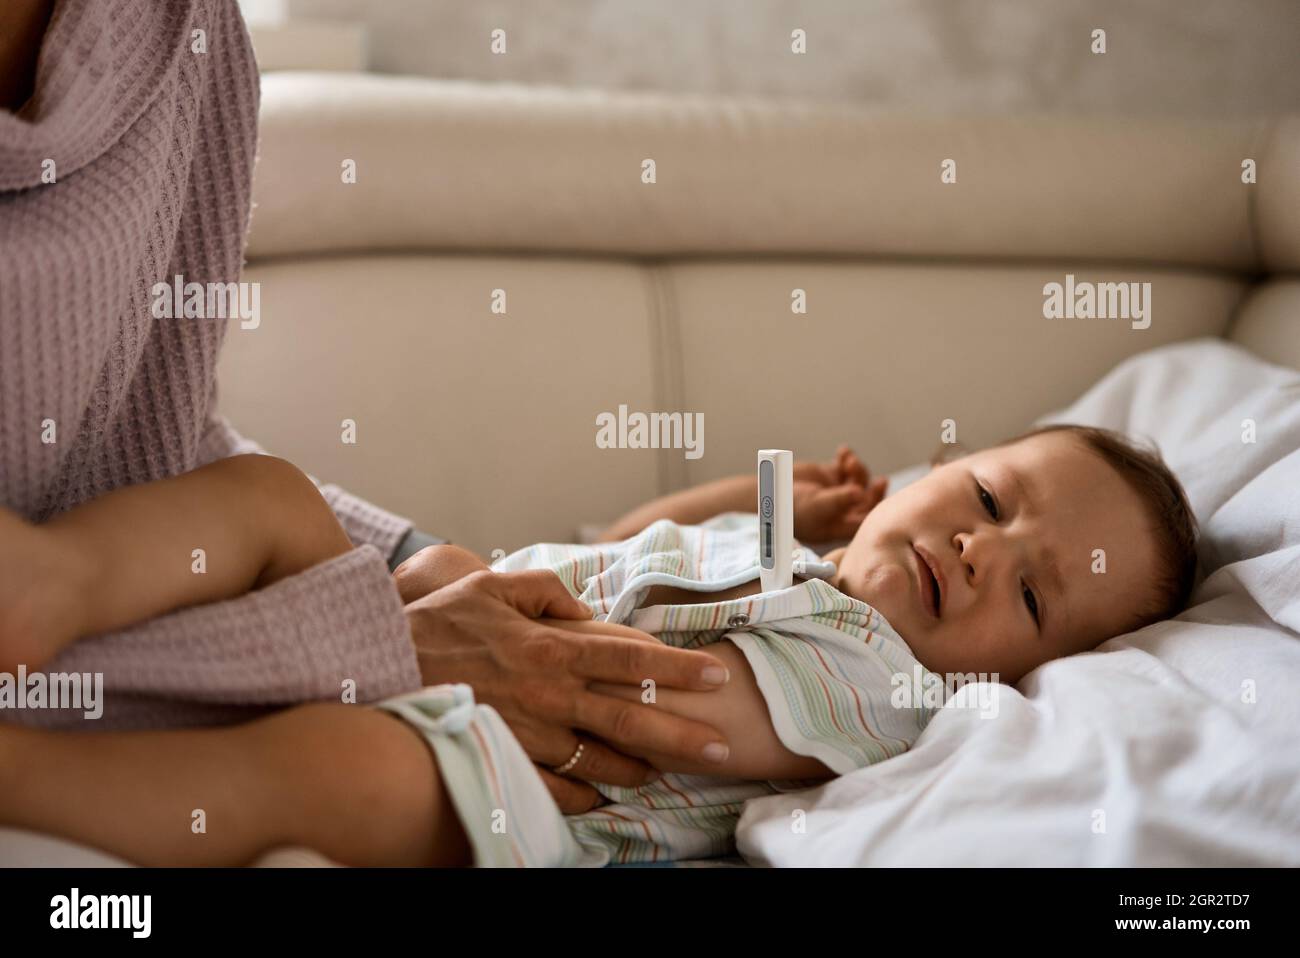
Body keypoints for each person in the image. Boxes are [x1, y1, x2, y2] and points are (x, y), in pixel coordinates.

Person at [0, 0, 737, 813]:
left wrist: (415, 569)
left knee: (286, 527)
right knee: (362, 744)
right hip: (113, 658)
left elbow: (156, 438)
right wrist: (375, 644)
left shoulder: (183, 29)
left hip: (140, 619)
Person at [0, 425, 1198, 865]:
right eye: (988, 499)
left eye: (1035, 598)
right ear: (935, 469)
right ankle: (52, 580)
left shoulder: (880, 689)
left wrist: (462, 597)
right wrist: (777, 498)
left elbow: (670, 700)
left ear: (1017, 673)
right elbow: (625, 539)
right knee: (265, 494)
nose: (986, 551)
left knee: (340, 769)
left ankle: (31, 778)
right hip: (448, 612)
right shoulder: (790, 555)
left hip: (512, 792)